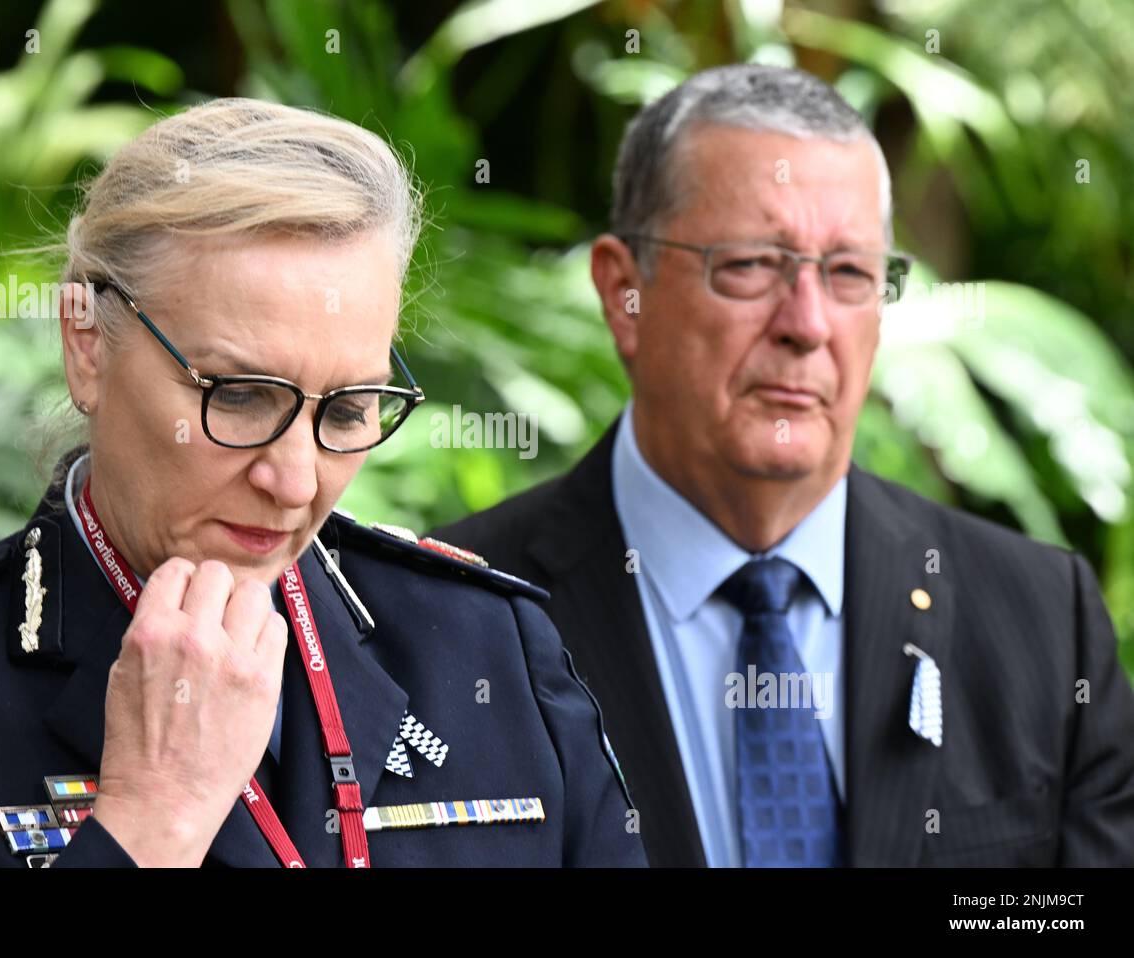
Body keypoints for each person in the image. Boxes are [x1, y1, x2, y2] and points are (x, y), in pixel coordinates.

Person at [0, 98, 644, 868]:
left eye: (350, 408)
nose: (294, 482)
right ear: (87, 345)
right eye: (241, 395)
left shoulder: (488, 647)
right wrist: (152, 819)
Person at [435, 64, 1134, 867]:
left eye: (848, 274)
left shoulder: (1041, 620)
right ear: (625, 294)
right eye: (751, 266)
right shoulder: (455, 619)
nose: (806, 325)